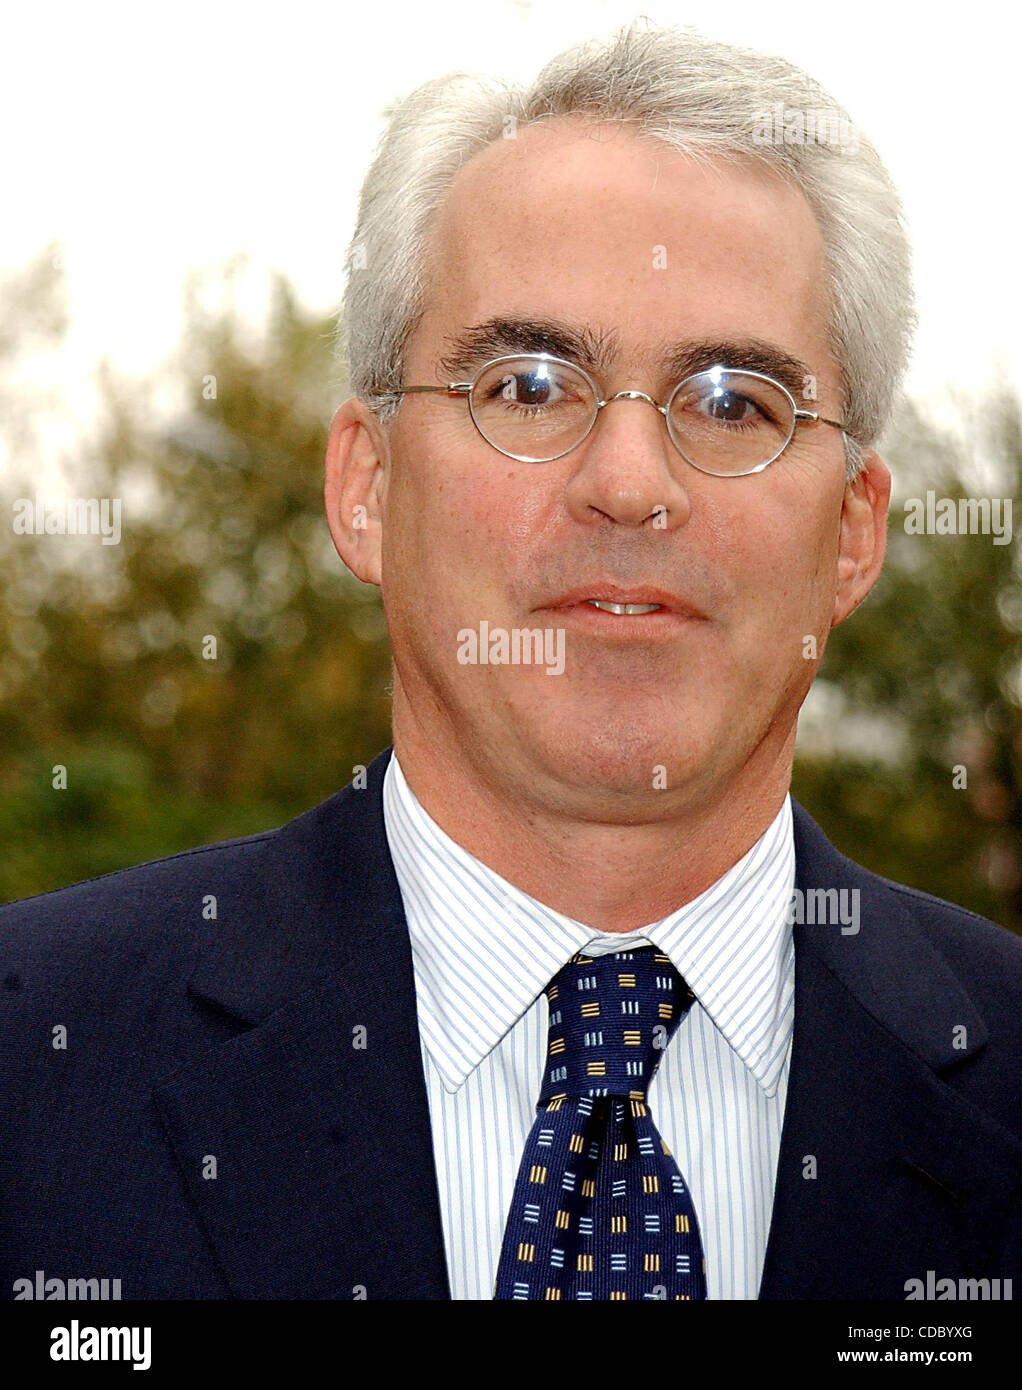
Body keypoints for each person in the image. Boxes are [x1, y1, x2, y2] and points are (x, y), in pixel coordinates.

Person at [3, 20, 1021, 1303]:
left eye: (730, 403)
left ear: (853, 533)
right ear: (366, 488)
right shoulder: (31, 1060)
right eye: (530, 387)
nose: (629, 485)